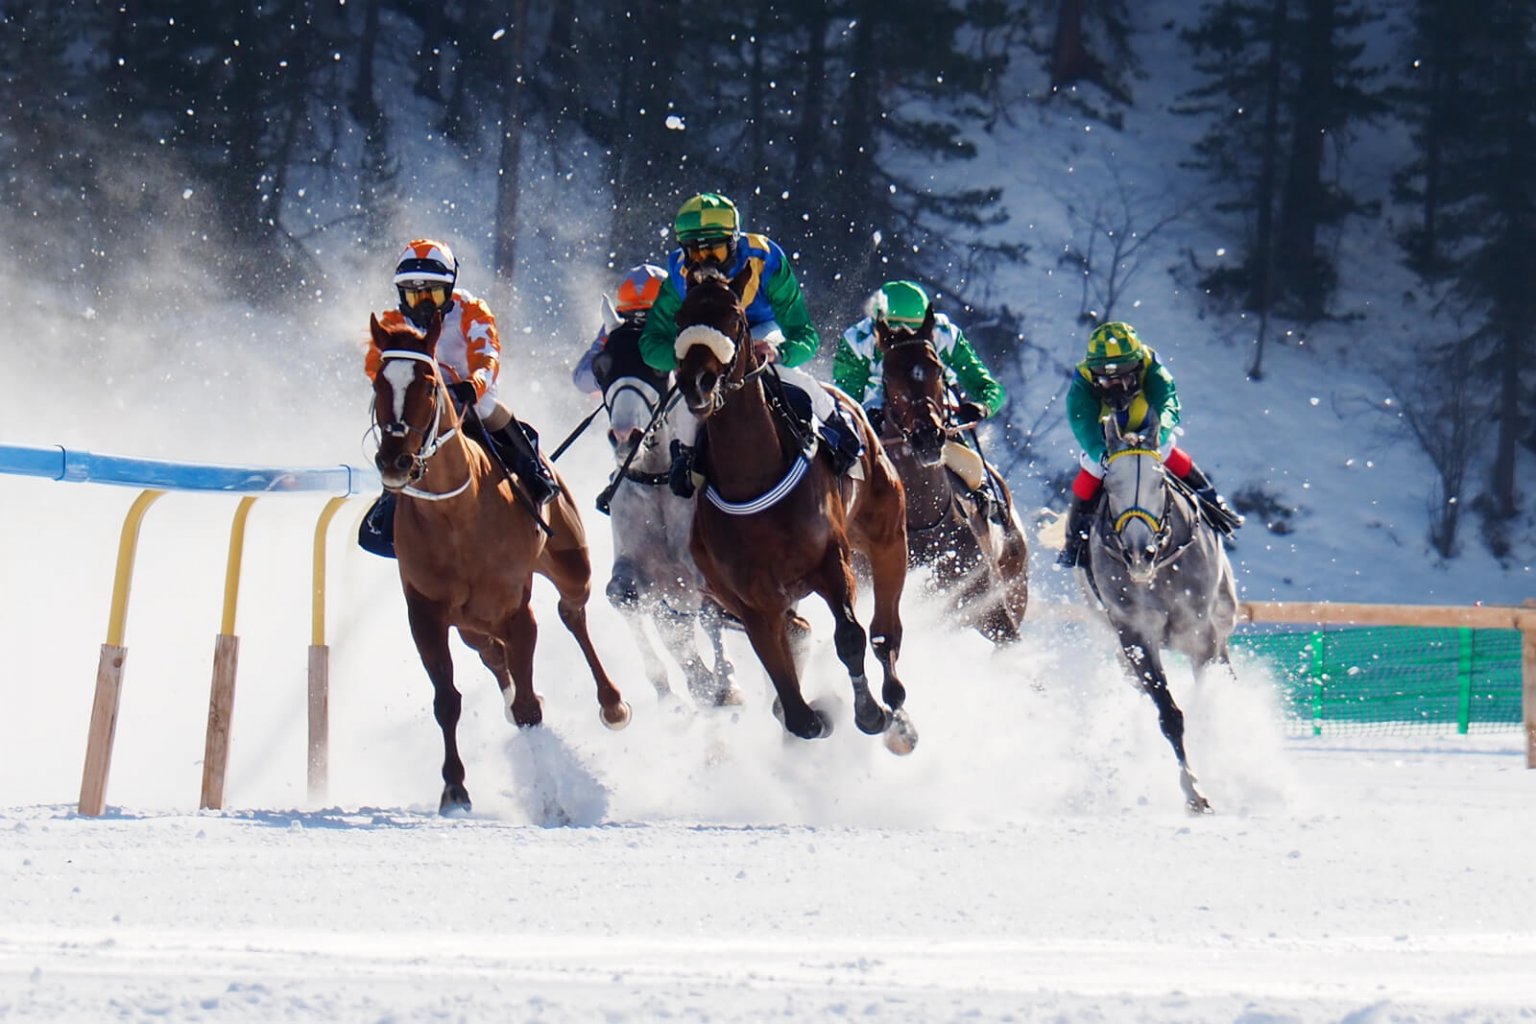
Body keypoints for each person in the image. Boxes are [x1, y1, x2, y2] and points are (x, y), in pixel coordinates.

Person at [637, 192, 864, 484]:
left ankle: (838, 427)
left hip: (758, 330)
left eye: (715, 252)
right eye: (695, 252)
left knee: (779, 373)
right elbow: (651, 342)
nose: (706, 263)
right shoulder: (679, 271)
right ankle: (684, 455)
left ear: (734, 243)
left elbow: (805, 334)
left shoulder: (765, 259)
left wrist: (781, 353)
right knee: (687, 390)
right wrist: (680, 357)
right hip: (705, 339)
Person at [365, 238, 559, 516]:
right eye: (413, 296)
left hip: (467, 395)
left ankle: (533, 473)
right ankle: (389, 498)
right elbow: (375, 365)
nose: (423, 305)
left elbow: (488, 356)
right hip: (421, 399)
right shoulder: (391, 321)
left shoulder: (471, 309)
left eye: (432, 295)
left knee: (487, 409)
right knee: (398, 428)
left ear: (450, 289)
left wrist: (474, 385)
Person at [1058, 320, 1242, 568]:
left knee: (1170, 454)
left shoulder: (1152, 367)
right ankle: (1074, 542)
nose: (1115, 387)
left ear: (1136, 368)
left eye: (1122, 378)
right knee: (1091, 472)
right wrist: (1101, 454)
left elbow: (1168, 404)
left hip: (1149, 432)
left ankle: (1214, 504)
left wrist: (1159, 435)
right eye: (1105, 380)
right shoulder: (1083, 380)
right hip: (1106, 441)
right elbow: (1082, 424)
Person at [573, 263, 668, 397]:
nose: (638, 323)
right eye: (632, 314)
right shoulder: (615, 326)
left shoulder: (678, 324)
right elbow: (582, 377)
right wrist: (610, 367)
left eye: (647, 314)